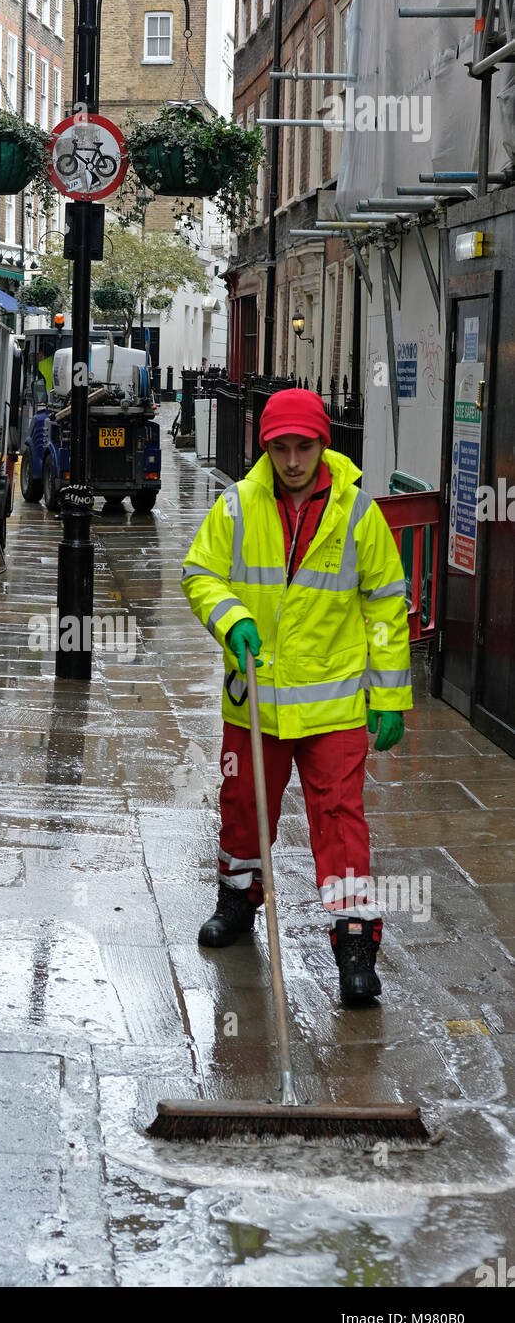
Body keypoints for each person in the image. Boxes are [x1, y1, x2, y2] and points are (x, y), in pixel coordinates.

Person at [181, 388, 412, 1004]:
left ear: (322, 445)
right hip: (255, 696)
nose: (291, 461)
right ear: (265, 449)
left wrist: (389, 697)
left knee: (340, 823)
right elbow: (200, 573)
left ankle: (355, 942)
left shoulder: (359, 513)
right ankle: (237, 901)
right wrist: (231, 619)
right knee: (243, 806)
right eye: (279, 448)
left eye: (302, 447)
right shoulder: (236, 507)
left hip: (332, 707)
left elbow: (386, 605)